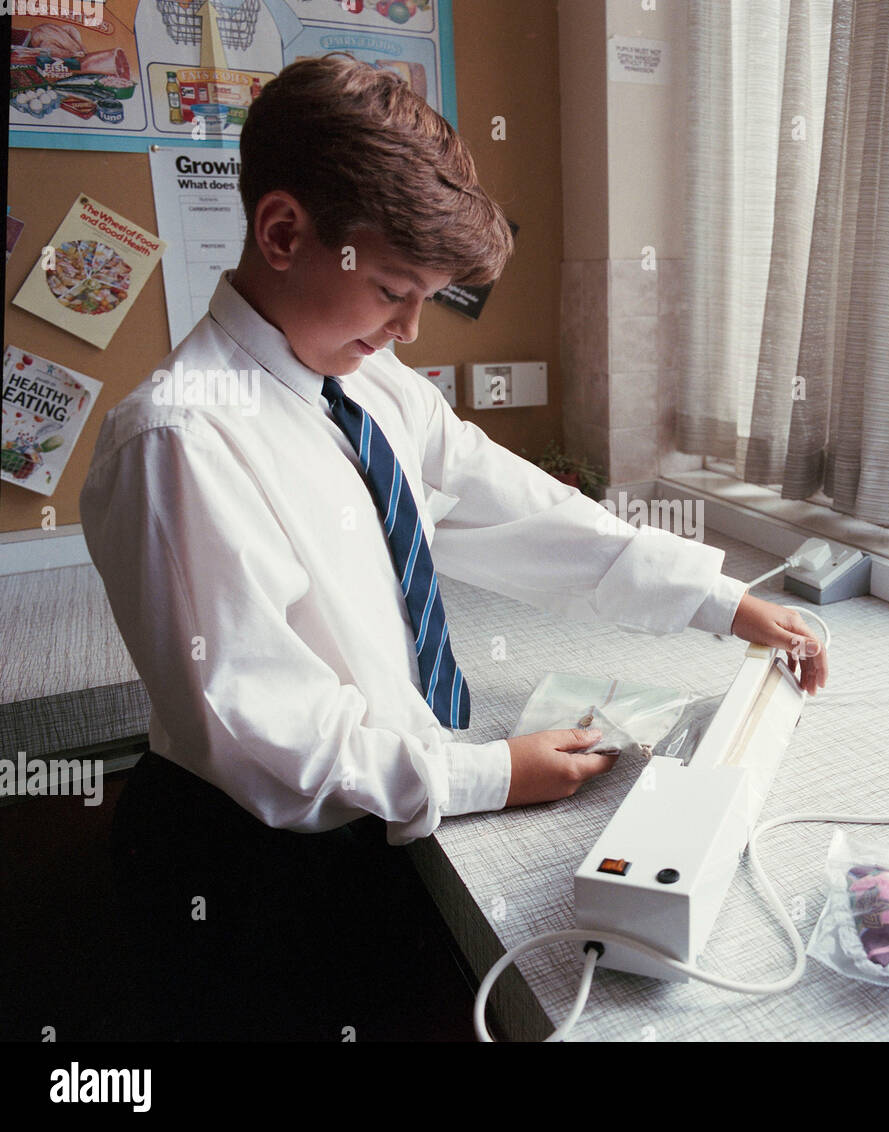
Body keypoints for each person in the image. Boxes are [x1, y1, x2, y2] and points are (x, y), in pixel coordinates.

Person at [80, 52, 828, 1040]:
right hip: (261, 862)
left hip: (383, 815)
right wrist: (490, 774)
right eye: (394, 288)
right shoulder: (182, 440)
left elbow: (524, 511)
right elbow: (275, 746)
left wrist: (714, 596)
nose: (410, 327)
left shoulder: (374, 386)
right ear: (283, 231)